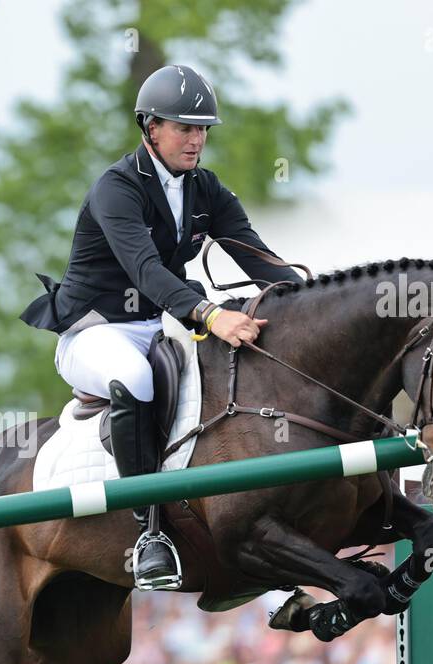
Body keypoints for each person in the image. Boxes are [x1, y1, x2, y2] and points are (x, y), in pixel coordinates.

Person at [20, 64, 300, 590]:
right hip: (94, 332)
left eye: (202, 130)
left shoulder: (205, 189)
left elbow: (252, 251)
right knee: (137, 378)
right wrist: (212, 314)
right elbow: (146, 272)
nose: (196, 140)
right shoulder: (116, 189)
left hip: (156, 324)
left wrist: (307, 295)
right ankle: (148, 530)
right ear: (150, 128)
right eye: (184, 128)